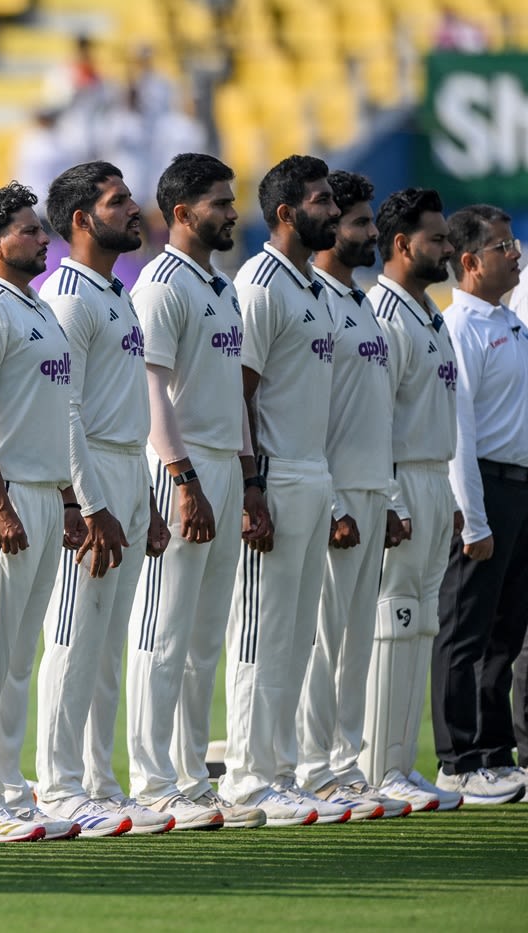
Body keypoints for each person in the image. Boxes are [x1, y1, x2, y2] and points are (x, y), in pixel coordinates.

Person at [127, 153, 269, 830]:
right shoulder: (161, 284)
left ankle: (187, 774)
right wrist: (181, 477)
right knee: (162, 629)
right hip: (177, 468)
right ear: (181, 213)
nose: (231, 212)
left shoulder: (222, 286)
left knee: (203, 636)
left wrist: (246, 479)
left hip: (219, 468)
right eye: (218, 201)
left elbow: (234, 398)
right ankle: (153, 778)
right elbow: (152, 387)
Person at [34, 161, 171, 837]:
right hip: (90, 477)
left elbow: (126, 407)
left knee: (106, 641)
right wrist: (89, 502)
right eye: (119, 202)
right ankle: (58, 787)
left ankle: (100, 782)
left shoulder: (117, 293)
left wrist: (141, 493)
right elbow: (64, 412)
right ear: (83, 219)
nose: (134, 209)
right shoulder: (68, 297)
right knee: (72, 634)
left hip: (126, 469)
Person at [0, 182, 86, 843]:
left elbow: (56, 417)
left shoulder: (39, 310)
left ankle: (8, 785)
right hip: (0, 493)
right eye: (29, 230)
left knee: (15, 657)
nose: (43, 238)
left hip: (39, 491)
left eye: (40, 229)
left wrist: (66, 498)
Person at [220, 155, 350, 826]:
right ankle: (245, 776)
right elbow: (239, 393)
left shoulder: (315, 288)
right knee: (259, 633)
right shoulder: (260, 283)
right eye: (323, 200)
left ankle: (279, 768)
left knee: (297, 636)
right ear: (286, 213)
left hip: (313, 474)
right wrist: (250, 488)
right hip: (272, 477)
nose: (333, 210)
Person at [361, 188, 475, 811]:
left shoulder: (430, 312)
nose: (448, 249)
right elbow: (373, 418)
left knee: (422, 623)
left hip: (433, 477)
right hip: (399, 477)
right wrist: (393, 497)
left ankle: (402, 763)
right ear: (402, 245)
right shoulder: (383, 313)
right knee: (392, 621)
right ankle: (377, 769)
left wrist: (450, 494)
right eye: (436, 240)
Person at [297, 171, 404, 820]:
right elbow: (315, 415)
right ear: (331, 226)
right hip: (331, 492)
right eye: (360, 222)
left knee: (356, 638)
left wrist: (386, 496)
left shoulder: (360, 301)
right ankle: (316, 767)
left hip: (371, 487)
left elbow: (371, 413)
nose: (372, 233)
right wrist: (335, 502)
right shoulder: (320, 299)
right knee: (321, 639)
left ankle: (346, 764)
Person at [434, 206, 528, 802]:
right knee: (465, 628)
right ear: (469, 262)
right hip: (485, 485)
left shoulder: (511, 322)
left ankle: (495, 751)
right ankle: (459, 758)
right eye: (501, 246)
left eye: (514, 242)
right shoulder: (460, 327)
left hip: (519, 485)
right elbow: (459, 433)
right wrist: (474, 515)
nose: (515, 253)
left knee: (507, 631)